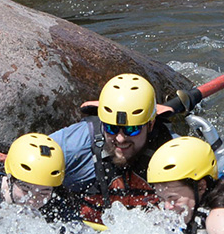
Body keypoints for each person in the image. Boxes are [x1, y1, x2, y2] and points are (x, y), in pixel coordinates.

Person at [48, 73, 171, 223]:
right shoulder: (75, 145)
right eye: (111, 128)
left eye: (132, 129)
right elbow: (25, 157)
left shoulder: (171, 150)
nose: (120, 139)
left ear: (150, 125)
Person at [0, 132, 71, 224]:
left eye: (43, 193)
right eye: (25, 189)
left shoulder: (54, 204)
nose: (32, 201)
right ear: (9, 179)